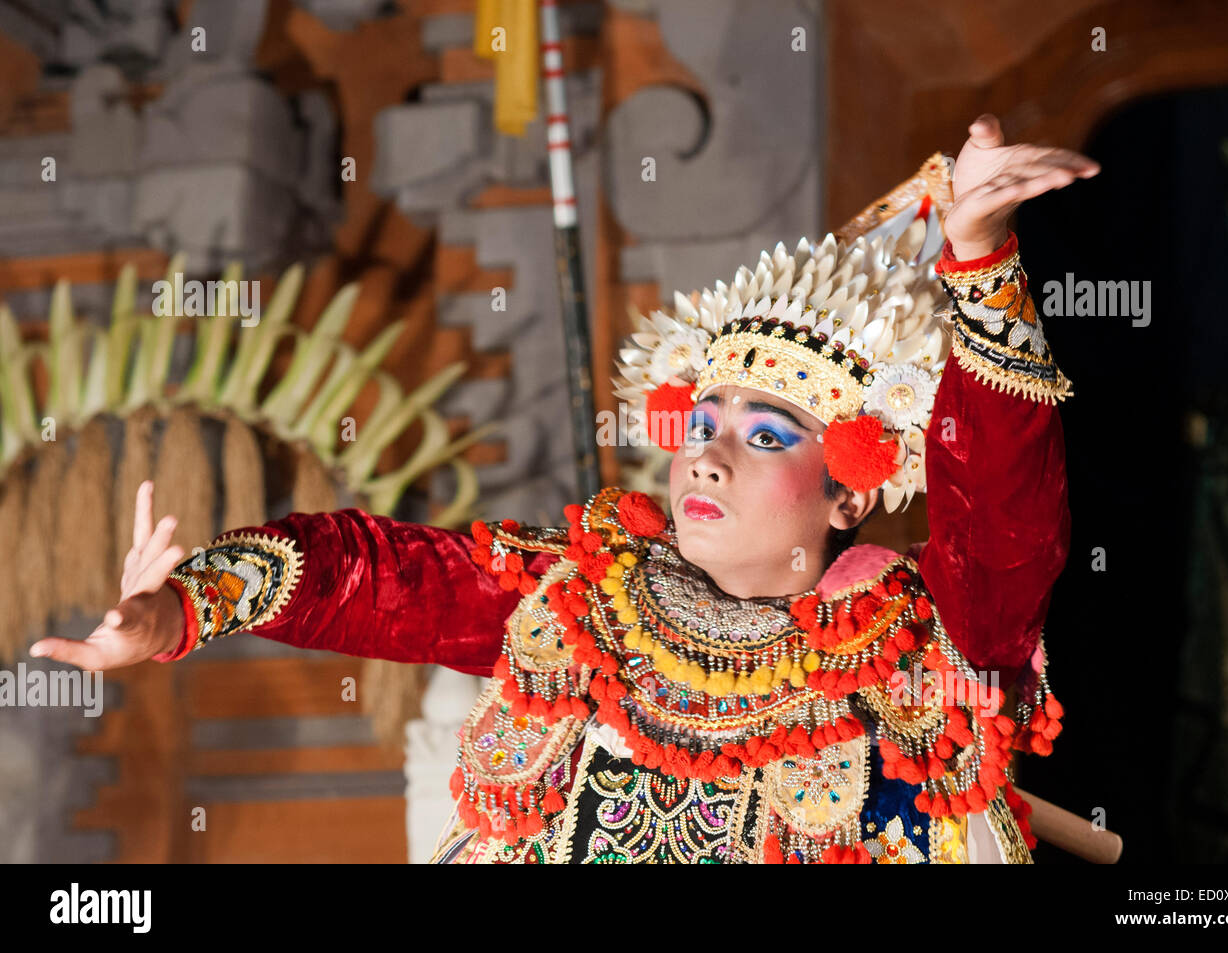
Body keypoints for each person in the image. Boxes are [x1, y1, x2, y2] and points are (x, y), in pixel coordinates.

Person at [31, 114, 1096, 864]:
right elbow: (376, 574)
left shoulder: (918, 642)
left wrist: (977, 257)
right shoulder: (582, 596)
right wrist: (185, 606)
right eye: (703, 423)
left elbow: (1003, 525)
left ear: (848, 490)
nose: (707, 458)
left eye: (765, 433)